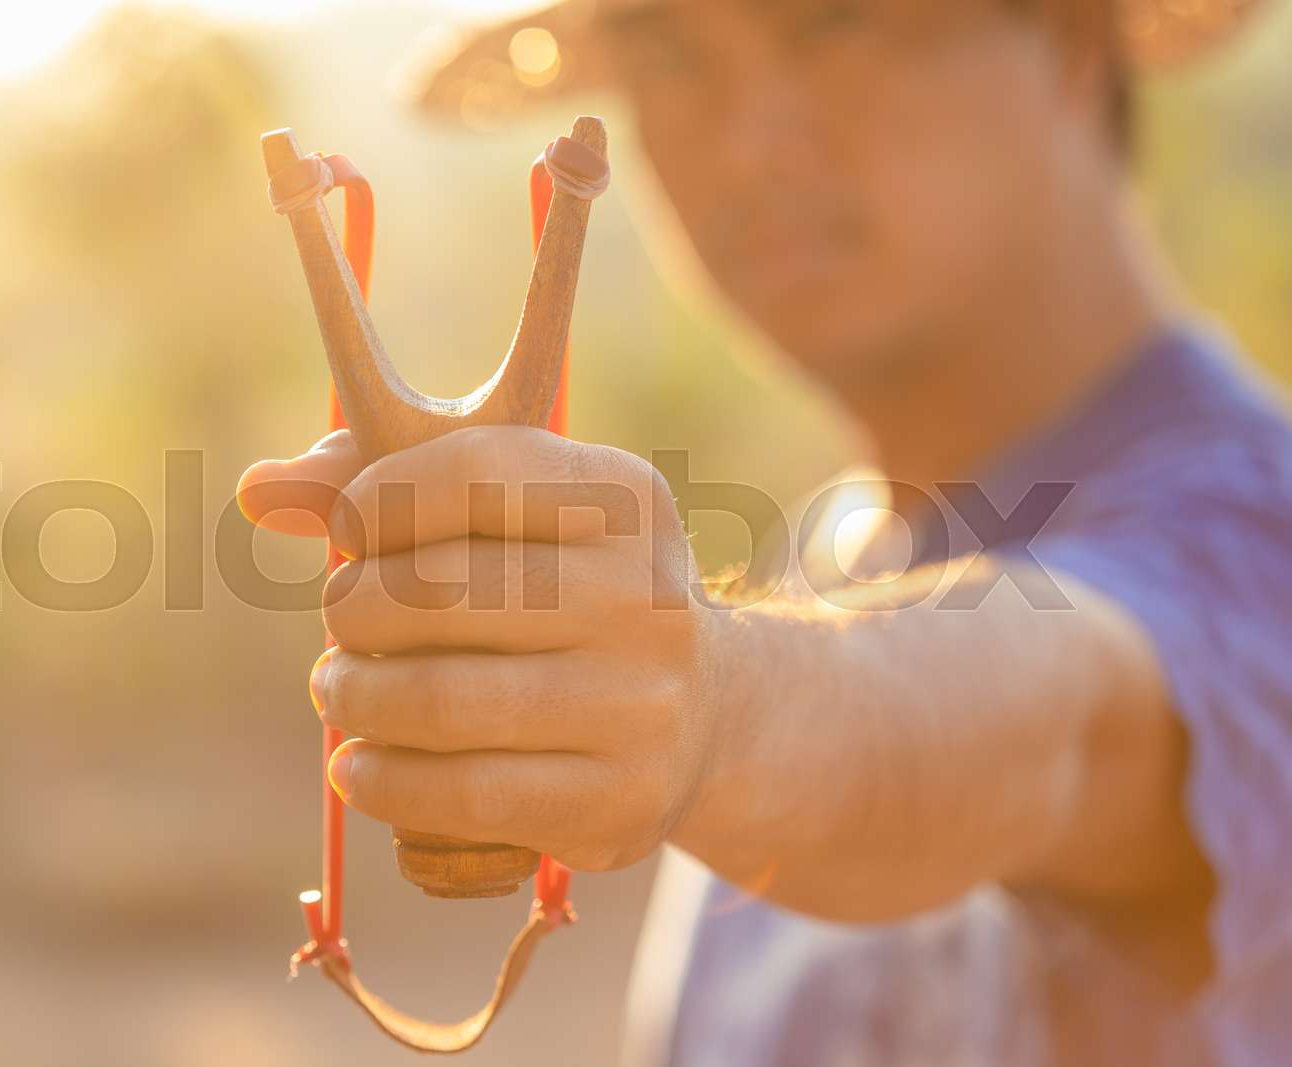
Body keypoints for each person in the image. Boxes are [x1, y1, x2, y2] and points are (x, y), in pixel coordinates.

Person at [237, 1, 1292, 1062]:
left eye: (833, 28)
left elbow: (1063, 723)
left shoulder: (1263, 542)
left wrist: (718, 709)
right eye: (669, 57)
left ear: (1069, 43)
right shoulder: (816, 557)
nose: (746, 141)